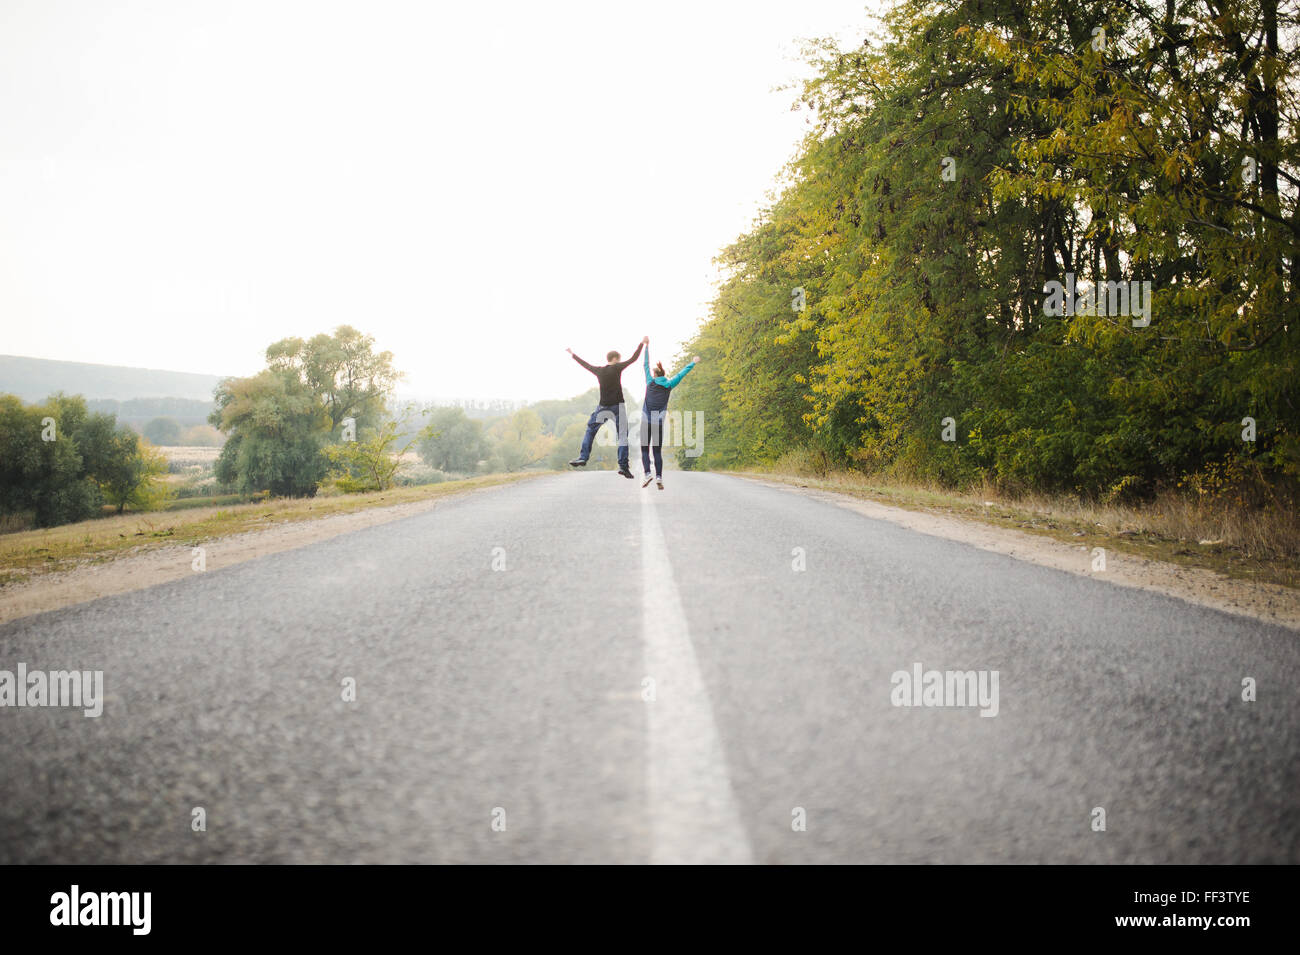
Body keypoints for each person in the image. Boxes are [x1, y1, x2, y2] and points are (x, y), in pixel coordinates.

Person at [566, 337, 646, 478]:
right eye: (619, 360)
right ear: (615, 359)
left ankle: (583, 457)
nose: (620, 362)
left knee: (591, 430)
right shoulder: (617, 367)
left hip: (603, 408)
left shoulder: (599, 371)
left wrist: (573, 355)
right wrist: (642, 344)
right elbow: (634, 358)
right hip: (618, 407)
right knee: (622, 437)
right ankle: (623, 466)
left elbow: (585, 365)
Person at [639, 339, 698, 489]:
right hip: (658, 423)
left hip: (646, 421)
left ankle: (647, 474)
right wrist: (693, 362)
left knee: (645, 449)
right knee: (657, 451)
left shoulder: (649, 382)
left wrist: (646, 346)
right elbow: (682, 373)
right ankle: (659, 477)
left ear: (654, 374)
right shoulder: (670, 384)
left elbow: (645, 364)